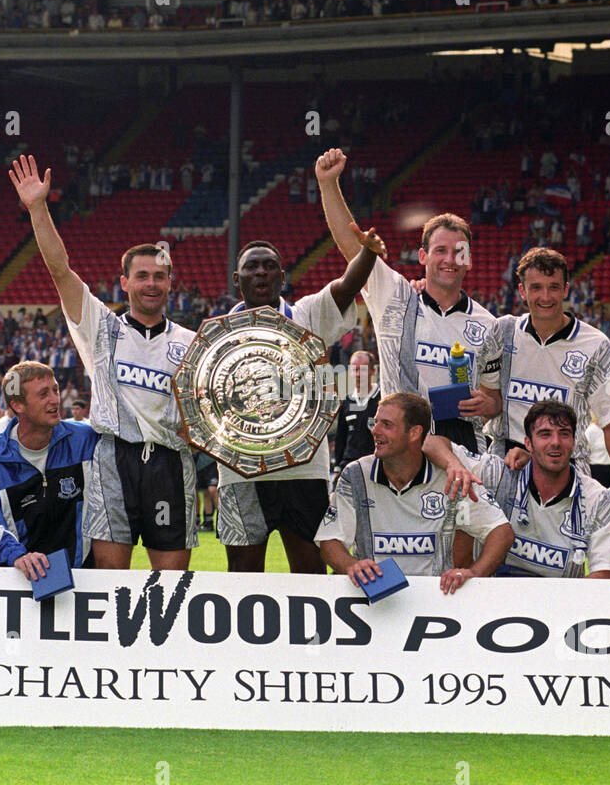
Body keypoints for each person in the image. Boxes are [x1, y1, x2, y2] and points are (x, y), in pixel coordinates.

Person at [9, 155, 197, 571]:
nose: (152, 284)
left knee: (172, 585)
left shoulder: (191, 343)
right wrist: (38, 208)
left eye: (160, 276)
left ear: (171, 282)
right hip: (113, 458)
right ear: (124, 282)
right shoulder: (102, 328)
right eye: (142, 276)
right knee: (111, 583)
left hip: (169, 461)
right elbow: (60, 270)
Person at [316, 147, 502, 454]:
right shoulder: (396, 297)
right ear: (423, 256)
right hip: (401, 449)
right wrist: (328, 184)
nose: (449, 260)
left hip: (464, 453)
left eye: (459, 252)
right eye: (440, 250)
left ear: (470, 261)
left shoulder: (488, 325)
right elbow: (353, 247)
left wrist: (487, 403)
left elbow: (495, 400)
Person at [214, 228, 376, 574]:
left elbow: (347, 286)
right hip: (241, 473)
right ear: (236, 278)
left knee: (310, 574)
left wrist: (369, 253)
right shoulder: (216, 335)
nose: (261, 273)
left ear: (283, 277)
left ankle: (317, 633)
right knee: (243, 574)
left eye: (270, 266)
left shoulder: (306, 315)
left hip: (303, 468)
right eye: (252, 267)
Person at [316, 392, 513, 593]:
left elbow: (501, 532)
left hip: (435, 601)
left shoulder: (450, 478)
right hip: (376, 598)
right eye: (375, 423)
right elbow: (330, 540)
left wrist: (474, 574)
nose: (375, 430)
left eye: (387, 424)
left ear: (414, 433)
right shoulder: (356, 474)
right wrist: (351, 566)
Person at [427, 400, 610, 579]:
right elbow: (430, 442)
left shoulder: (598, 499)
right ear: (528, 444)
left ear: (574, 442)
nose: (555, 442)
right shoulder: (498, 475)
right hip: (493, 603)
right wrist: (454, 464)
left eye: (564, 434)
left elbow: (603, 577)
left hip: (559, 608)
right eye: (545, 434)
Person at [489, 248, 610, 482]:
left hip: (567, 470)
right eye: (536, 287)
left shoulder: (596, 345)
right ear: (522, 291)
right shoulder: (504, 332)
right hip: (507, 466)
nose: (546, 297)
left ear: (565, 290)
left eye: (554, 287)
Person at [0, 361, 99, 576]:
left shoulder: (85, 440)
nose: (55, 400)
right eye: (43, 394)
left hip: (82, 579)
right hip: (16, 576)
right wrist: (18, 556)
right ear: (18, 405)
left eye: (55, 390)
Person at [333, 350, 380, 474]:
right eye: (355, 369)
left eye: (363, 369)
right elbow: (341, 437)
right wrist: (338, 467)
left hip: (376, 465)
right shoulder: (347, 401)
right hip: (349, 466)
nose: (358, 374)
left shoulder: (382, 399)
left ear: (373, 371)